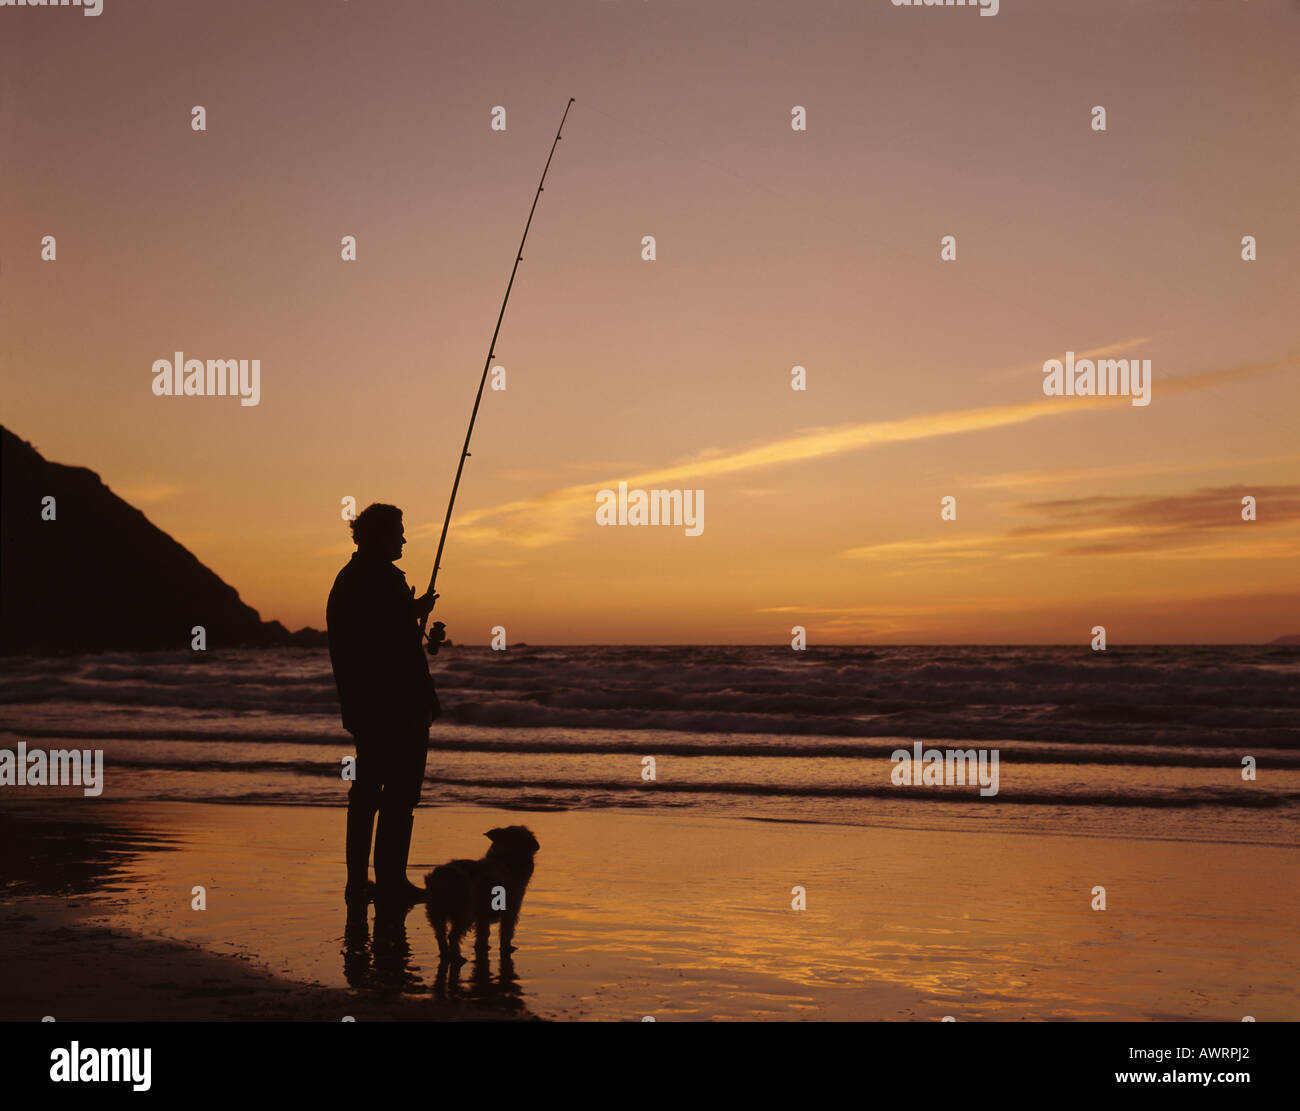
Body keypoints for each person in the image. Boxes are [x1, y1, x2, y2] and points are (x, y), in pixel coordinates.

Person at [327, 503, 446, 906]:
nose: (403, 539)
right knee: (396, 793)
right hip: (393, 706)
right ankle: (386, 882)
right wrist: (413, 614)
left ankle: (364, 883)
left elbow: (377, 634)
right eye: (397, 532)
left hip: (372, 705)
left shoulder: (357, 577)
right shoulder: (373, 579)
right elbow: (384, 640)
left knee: (370, 793)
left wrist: (412, 614)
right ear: (377, 535)